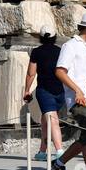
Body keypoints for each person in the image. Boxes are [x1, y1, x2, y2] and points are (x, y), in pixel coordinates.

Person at [52, 12, 86, 170]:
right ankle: (60, 162)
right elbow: (59, 71)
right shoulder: (71, 45)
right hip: (78, 98)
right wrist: (77, 91)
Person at [24, 26, 64, 163]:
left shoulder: (36, 52)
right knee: (46, 119)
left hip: (45, 91)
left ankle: (60, 151)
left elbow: (31, 73)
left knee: (51, 120)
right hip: (60, 90)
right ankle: (42, 151)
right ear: (54, 37)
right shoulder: (61, 51)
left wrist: (27, 90)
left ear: (40, 37)